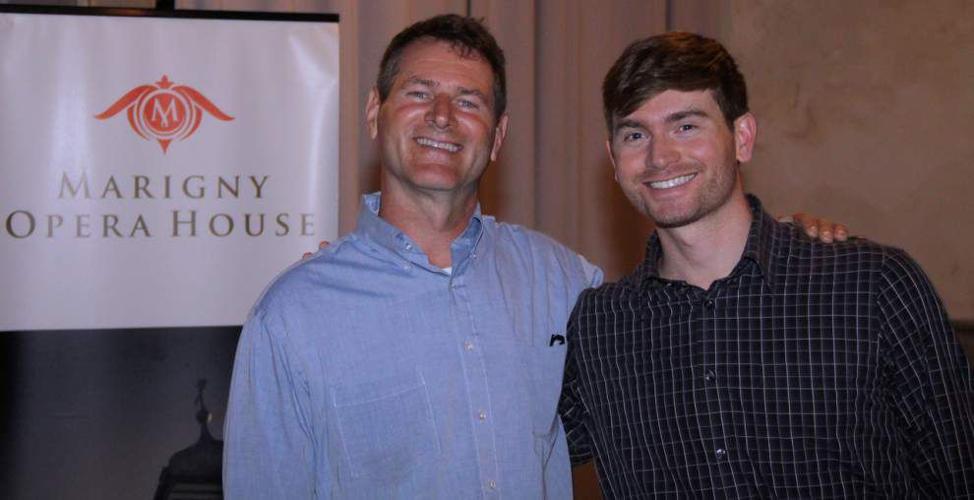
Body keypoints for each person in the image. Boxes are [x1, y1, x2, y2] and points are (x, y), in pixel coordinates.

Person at [224, 15, 846, 499]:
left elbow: (690, 324)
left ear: (497, 136)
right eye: (418, 93)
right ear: (372, 113)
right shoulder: (295, 315)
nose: (442, 117)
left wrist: (779, 241)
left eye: (469, 101)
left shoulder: (568, 282)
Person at [558, 32, 974, 498]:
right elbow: (511, 447)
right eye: (635, 134)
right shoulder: (599, 326)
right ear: (614, 160)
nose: (659, 156)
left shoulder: (872, 285)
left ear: (742, 137)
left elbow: (957, 474)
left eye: (686, 126)